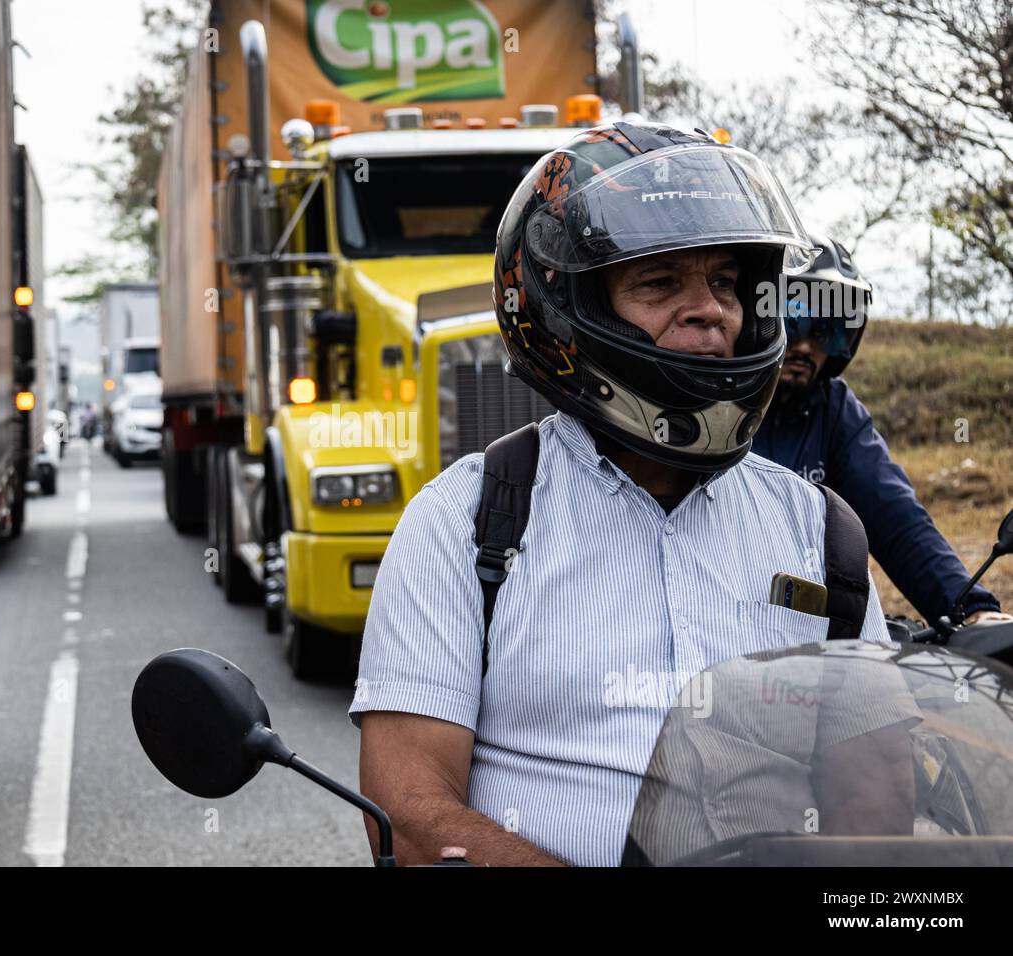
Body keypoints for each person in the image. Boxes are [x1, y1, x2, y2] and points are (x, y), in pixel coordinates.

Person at [349, 122, 893, 867]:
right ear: (574, 308)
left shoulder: (820, 533)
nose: (712, 310)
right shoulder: (466, 525)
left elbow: (878, 802)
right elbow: (406, 814)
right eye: (660, 282)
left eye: (727, 282)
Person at [751, 234, 1009, 629]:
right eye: (794, 321)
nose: (805, 345)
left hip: (805, 628)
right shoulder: (723, 400)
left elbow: (897, 518)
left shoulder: (832, 408)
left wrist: (970, 608)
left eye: (827, 329)